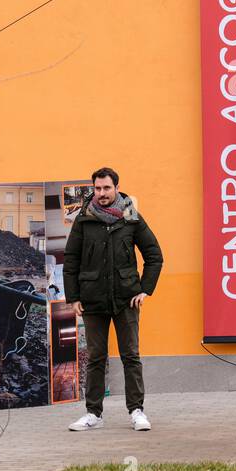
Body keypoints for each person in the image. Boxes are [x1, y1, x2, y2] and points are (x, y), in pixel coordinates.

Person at [64, 167, 163, 433]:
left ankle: (137, 411)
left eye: (107, 188)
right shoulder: (84, 218)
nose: (102, 193)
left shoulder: (131, 216)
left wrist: (145, 289)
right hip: (92, 300)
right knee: (96, 357)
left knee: (131, 355)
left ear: (116, 188)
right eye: (97, 188)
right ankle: (93, 414)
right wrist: (73, 297)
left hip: (126, 299)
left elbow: (154, 254)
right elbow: (71, 260)